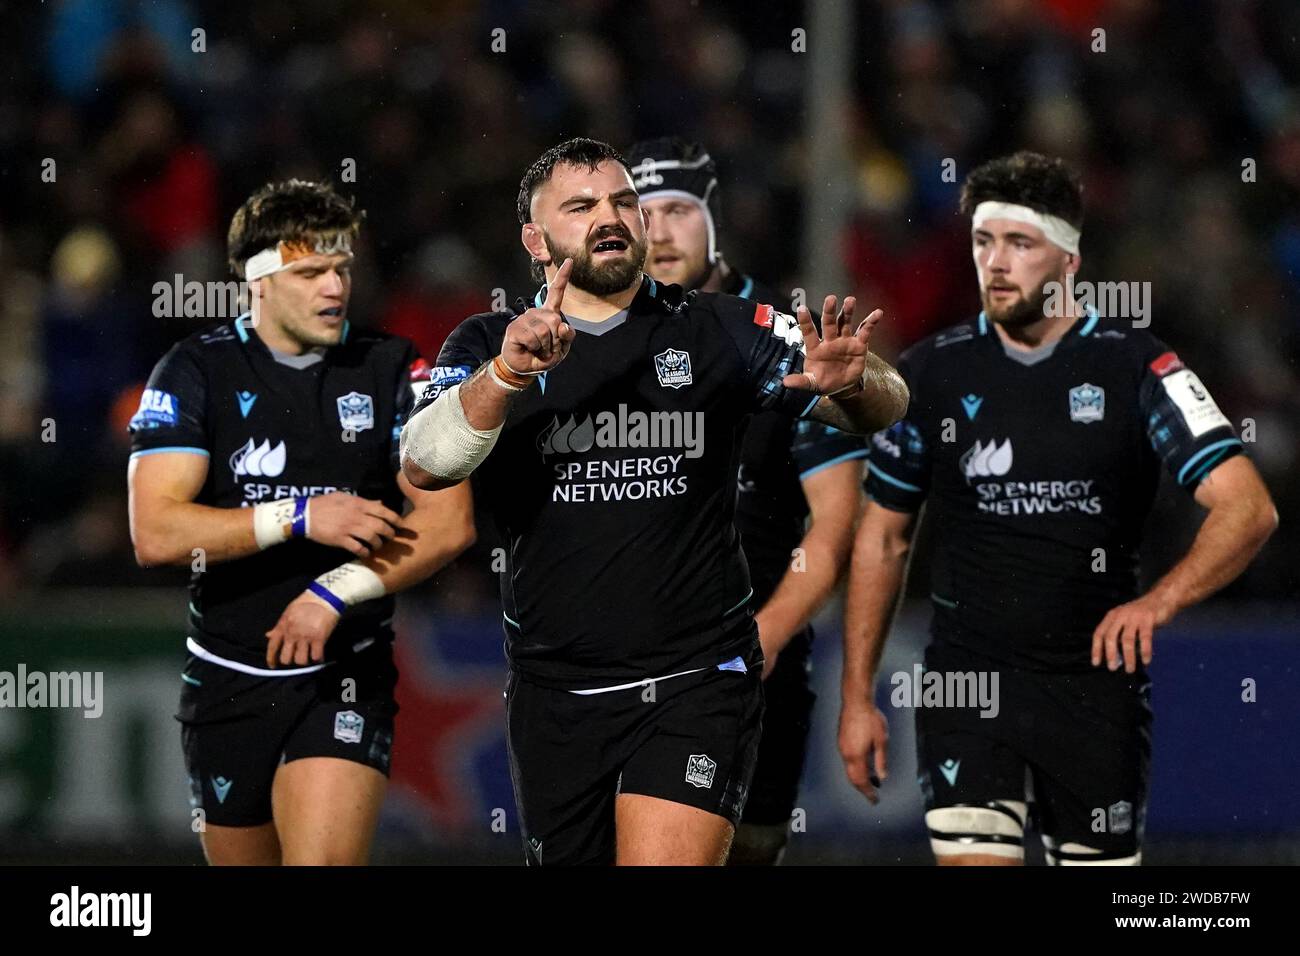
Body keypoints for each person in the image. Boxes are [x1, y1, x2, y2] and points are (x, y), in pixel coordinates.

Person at [401, 137, 908, 865]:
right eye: (581, 207)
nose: (610, 217)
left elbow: (889, 402)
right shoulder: (487, 341)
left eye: (622, 203)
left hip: (694, 683)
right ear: (534, 239)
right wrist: (507, 374)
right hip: (556, 697)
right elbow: (423, 464)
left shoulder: (723, 326)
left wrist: (854, 383)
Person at [840, 151, 1277, 865]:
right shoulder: (929, 373)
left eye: (1021, 243)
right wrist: (857, 696)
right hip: (965, 689)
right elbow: (882, 539)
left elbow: (1247, 507)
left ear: (1069, 259)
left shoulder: (1138, 366)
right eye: (984, 242)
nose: (997, 263)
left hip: (1092, 693)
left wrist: (1159, 602)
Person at [127, 179, 475, 865]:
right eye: (310, 271)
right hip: (225, 677)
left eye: (342, 268)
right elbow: (155, 533)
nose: (334, 287)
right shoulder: (195, 371)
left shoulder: (392, 368)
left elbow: (448, 525)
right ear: (257, 281)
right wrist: (295, 517)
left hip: (343, 674)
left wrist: (332, 593)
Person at [627, 137, 867, 865]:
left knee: (751, 850)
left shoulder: (785, 337)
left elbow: (834, 527)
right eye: (642, 216)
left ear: (714, 221)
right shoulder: (605, 337)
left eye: (678, 211)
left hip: (759, 671)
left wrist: (758, 642)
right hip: (631, 667)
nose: (660, 233)